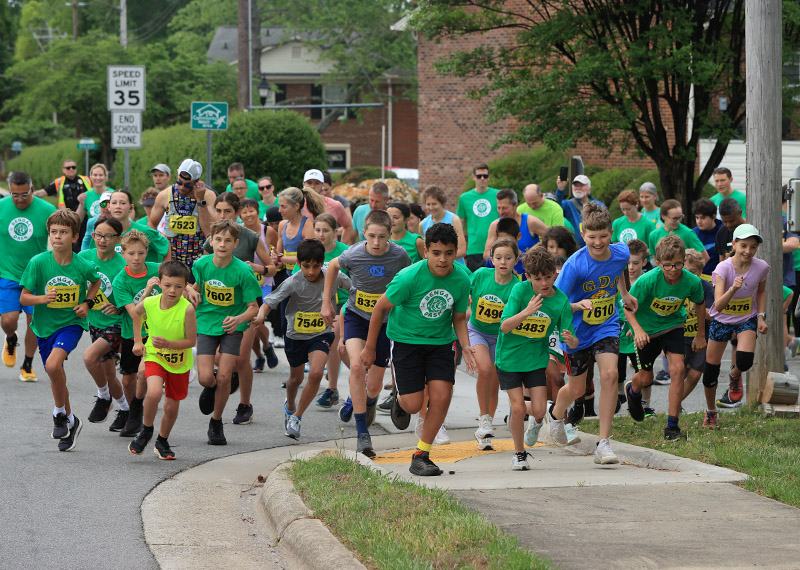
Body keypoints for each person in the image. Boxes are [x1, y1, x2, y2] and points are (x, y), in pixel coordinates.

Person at [360, 223, 477, 476]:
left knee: (442, 396)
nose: (443, 259)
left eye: (448, 252)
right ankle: (400, 401)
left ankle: (421, 454)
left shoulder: (462, 278)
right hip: (406, 341)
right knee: (413, 405)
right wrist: (370, 348)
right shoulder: (409, 277)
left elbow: (458, 317)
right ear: (426, 251)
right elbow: (380, 309)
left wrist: (466, 346)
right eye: (436, 253)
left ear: (457, 251)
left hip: (440, 343)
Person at [549, 203, 636, 465]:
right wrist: (578, 305)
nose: (598, 242)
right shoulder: (575, 265)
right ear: (583, 234)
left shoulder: (621, 252)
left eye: (603, 236)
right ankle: (556, 414)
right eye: (591, 237)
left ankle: (603, 443)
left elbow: (620, 268)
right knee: (576, 388)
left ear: (612, 232)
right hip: (576, 330)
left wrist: (624, 293)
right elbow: (557, 301)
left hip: (606, 324)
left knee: (610, 375)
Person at [322, 210, 411, 456]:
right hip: (356, 316)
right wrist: (326, 301)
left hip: (385, 323)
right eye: (371, 236)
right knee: (358, 366)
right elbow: (332, 266)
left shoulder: (399, 255)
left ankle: (364, 401)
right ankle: (362, 434)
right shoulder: (354, 253)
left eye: (382, 237)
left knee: (374, 386)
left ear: (390, 235)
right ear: (364, 233)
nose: (376, 243)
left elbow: (410, 278)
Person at [20, 209, 101, 452]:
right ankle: (71, 420)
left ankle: (58, 415)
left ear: (75, 237)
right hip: (44, 327)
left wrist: (87, 303)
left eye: (63, 232)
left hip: (70, 324)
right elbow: (24, 297)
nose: (57, 237)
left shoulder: (82, 264)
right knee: (55, 374)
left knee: (54, 366)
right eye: (53, 232)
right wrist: (42, 298)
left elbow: (95, 281)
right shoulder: (38, 262)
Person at [257, 239, 351, 440]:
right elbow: (271, 301)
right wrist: (259, 316)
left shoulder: (332, 276)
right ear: (298, 263)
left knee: (316, 374)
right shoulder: (293, 281)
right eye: (306, 266)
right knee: (295, 379)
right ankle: (290, 405)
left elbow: (354, 289)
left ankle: (297, 418)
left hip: (321, 334)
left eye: (316, 266)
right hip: (296, 336)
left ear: (322, 263)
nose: (311, 271)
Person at [497, 246, 577, 470]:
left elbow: (568, 335)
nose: (544, 283)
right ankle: (519, 453)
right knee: (519, 408)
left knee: (540, 410)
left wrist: (571, 341)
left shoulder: (560, 301)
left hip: (535, 359)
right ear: (528, 277)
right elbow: (504, 327)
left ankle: (531, 416)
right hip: (510, 358)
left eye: (548, 277)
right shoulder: (520, 291)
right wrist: (526, 312)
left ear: (555, 274)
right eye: (537, 278)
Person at [623, 235, 706, 440]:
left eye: (678, 264)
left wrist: (700, 334)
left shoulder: (692, 281)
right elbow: (628, 309)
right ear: (658, 263)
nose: (673, 270)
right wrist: (637, 329)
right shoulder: (647, 281)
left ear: (684, 260)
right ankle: (633, 391)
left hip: (673, 325)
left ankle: (672, 427)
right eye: (667, 265)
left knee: (677, 368)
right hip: (647, 330)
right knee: (646, 377)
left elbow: (700, 303)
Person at [204, 193, 276, 426]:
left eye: (228, 211)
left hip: (245, 304)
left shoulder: (249, 236)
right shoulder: (212, 238)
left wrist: (256, 267)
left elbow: (272, 268)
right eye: (219, 211)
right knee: (222, 360)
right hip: (216, 309)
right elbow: (204, 272)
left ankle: (245, 404)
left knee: (242, 357)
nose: (223, 215)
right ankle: (217, 382)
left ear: (236, 212)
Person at [194, 219, 262, 445]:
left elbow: (254, 308)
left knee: (224, 376)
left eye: (228, 241)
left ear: (236, 243)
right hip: (205, 323)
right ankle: (211, 388)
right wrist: (189, 292)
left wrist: (239, 319)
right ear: (211, 241)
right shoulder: (201, 265)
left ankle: (216, 422)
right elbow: (195, 288)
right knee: (206, 378)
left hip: (232, 327)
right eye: (219, 239)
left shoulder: (243, 271)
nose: (222, 244)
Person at [128, 261, 196, 460]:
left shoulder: (187, 309)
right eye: (167, 285)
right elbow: (136, 313)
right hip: (154, 356)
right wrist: (138, 341)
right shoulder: (150, 302)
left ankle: (162, 440)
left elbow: (191, 341)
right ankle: (146, 430)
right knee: (155, 392)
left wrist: (168, 343)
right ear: (160, 284)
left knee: (171, 407)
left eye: (178, 286)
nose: (172, 291)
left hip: (179, 362)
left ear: (185, 286)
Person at [0, 171, 57, 382]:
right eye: (15, 195)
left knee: (34, 323)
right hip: (7, 273)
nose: (19, 199)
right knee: (8, 320)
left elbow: (60, 236)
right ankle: (11, 338)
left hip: (36, 276)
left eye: (24, 194)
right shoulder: (2, 207)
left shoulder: (46, 210)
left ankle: (27, 365)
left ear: (32, 189)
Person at [706, 224, 769, 410]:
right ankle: (711, 411)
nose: (748, 251)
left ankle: (735, 375)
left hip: (746, 318)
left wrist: (761, 317)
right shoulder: (723, 268)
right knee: (710, 371)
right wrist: (733, 288)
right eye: (743, 246)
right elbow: (717, 305)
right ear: (734, 244)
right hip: (721, 319)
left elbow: (761, 293)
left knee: (744, 361)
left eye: (753, 247)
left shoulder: (762, 267)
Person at [469, 238, 519, 451]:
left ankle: (486, 430)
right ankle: (483, 418)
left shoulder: (517, 286)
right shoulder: (480, 275)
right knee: (485, 370)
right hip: (477, 331)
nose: (503, 262)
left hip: (501, 337)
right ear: (491, 259)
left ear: (516, 260)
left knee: (495, 381)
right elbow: (465, 297)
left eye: (508, 258)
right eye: (498, 257)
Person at [79, 216, 128, 426]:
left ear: (118, 239)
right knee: (109, 374)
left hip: (116, 323)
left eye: (108, 236)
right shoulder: (84, 257)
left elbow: (133, 295)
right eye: (98, 235)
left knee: (90, 358)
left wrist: (119, 306)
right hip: (95, 321)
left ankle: (103, 397)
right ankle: (125, 409)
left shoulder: (123, 265)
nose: (102, 240)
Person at [112, 230, 161, 436]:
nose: (136, 258)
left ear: (147, 252)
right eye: (131, 253)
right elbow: (135, 314)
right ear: (123, 253)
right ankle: (133, 409)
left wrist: (191, 289)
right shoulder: (120, 281)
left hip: (158, 332)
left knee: (144, 372)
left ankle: (138, 410)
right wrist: (148, 290)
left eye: (141, 253)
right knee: (128, 379)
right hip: (133, 334)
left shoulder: (158, 269)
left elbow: (179, 285)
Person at [148, 158, 217, 270]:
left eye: (187, 185)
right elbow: (151, 224)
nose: (182, 187)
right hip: (172, 259)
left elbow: (210, 232)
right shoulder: (165, 195)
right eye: (179, 182)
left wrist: (200, 200)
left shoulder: (208, 196)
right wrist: (161, 240)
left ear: (197, 181)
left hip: (199, 261)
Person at [310, 214, 349, 408]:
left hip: (342, 303)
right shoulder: (310, 250)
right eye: (317, 230)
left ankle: (332, 388)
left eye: (325, 230)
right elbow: (297, 276)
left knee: (333, 336)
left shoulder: (346, 252)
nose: (321, 234)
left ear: (335, 232)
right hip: (316, 304)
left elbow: (356, 281)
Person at [679, 249, 716, 427]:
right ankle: (675, 404)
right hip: (679, 336)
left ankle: (676, 402)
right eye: (685, 270)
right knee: (678, 371)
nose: (688, 275)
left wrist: (700, 308)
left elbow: (713, 313)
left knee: (694, 374)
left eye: (693, 272)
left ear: (700, 272)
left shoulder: (706, 286)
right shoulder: (676, 284)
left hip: (701, 336)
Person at [616, 239, 648, 415]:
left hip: (639, 333)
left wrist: (638, 327)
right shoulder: (617, 281)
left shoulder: (646, 280)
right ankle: (620, 394)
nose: (630, 267)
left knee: (643, 371)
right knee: (618, 372)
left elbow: (649, 308)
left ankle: (643, 403)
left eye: (635, 263)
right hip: (619, 334)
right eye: (627, 263)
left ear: (644, 262)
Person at [34, 158, 92, 251]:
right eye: (68, 168)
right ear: (63, 169)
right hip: (68, 220)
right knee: (71, 246)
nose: (71, 169)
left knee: (86, 245)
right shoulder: (59, 182)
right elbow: (43, 192)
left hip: (86, 219)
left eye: (73, 167)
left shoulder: (86, 180)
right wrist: (28, 195)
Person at [482, 189, 547, 261]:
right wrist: (501, 258)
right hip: (504, 270)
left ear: (515, 205)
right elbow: (486, 253)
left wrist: (534, 251)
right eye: (498, 208)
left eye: (504, 208)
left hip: (529, 269)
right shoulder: (495, 225)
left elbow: (553, 238)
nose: (501, 212)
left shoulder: (530, 222)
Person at [106, 190, 170, 263]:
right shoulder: (103, 233)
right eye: (114, 203)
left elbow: (167, 247)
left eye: (123, 203)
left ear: (131, 207)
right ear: (109, 206)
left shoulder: (144, 231)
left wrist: (165, 272)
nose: (118, 206)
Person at [457, 163, 499, 271]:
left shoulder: (498, 195)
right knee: (475, 283)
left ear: (488, 177)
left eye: (485, 176)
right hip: (474, 248)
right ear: (473, 177)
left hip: (495, 247)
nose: (482, 179)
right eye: (479, 176)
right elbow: (459, 224)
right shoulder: (464, 198)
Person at [301, 169, 356, 244]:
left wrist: (342, 248)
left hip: (331, 253)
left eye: (317, 183)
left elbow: (349, 226)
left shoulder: (334, 205)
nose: (313, 186)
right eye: (309, 183)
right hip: (304, 253)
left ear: (322, 185)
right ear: (303, 184)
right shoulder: (296, 205)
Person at [648, 199, 708, 265]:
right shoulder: (653, 235)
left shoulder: (688, 233)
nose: (678, 221)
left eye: (680, 217)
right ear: (663, 216)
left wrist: (691, 271)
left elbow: (705, 257)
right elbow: (657, 261)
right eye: (675, 218)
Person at [555, 174, 605, 248]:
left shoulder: (599, 205)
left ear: (589, 189)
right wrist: (560, 189)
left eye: (581, 186)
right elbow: (556, 207)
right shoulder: (568, 204)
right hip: (575, 249)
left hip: (596, 246)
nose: (578, 188)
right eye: (575, 186)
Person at [421, 185, 467, 262]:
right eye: (428, 204)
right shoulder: (423, 224)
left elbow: (462, 250)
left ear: (442, 203)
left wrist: (443, 260)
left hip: (455, 267)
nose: (431, 208)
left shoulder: (454, 220)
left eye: (434, 204)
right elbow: (425, 251)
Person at [691, 197, 722, 277]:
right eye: (697, 217)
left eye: (703, 218)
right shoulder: (693, 233)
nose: (699, 221)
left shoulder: (723, 231)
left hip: (718, 277)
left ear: (713, 216)